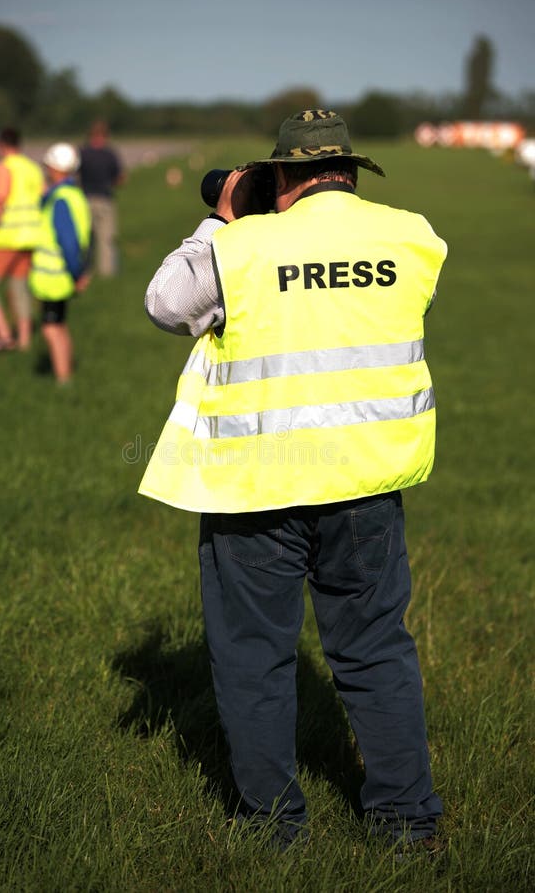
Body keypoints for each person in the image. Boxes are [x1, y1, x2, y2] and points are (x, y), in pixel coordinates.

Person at [139, 110, 448, 851]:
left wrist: (218, 220)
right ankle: (407, 824)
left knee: (254, 657)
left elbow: (164, 304)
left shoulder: (241, 247)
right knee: (375, 649)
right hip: (369, 486)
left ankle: (274, 830)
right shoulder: (412, 236)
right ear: (352, 170)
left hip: (257, 492)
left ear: (281, 175)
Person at [0, 127, 44, 351]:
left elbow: (0, 203)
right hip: (31, 237)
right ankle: (24, 341)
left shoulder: (3, 168)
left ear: (1, 145)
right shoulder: (33, 168)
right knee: (19, 287)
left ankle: (4, 336)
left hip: (8, 237)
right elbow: (42, 198)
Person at [29, 143, 92, 385]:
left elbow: (68, 242)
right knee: (60, 325)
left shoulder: (61, 200)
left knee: (51, 328)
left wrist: (77, 275)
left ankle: (63, 379)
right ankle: (67, 374)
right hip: (62, 276)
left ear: (56, 168)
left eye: (48, 166)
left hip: (55, 277)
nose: (45, 169)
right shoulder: (72, 194)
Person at [79, 120, 124, 277]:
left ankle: (85, 271)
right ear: (105, 136)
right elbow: (120, 178)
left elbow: (75, 175)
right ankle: (107, 273)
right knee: (107, 239)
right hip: (105, 199)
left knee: (85, 239)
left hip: (84, 200)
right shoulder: (109, 154)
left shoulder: (82, 152)